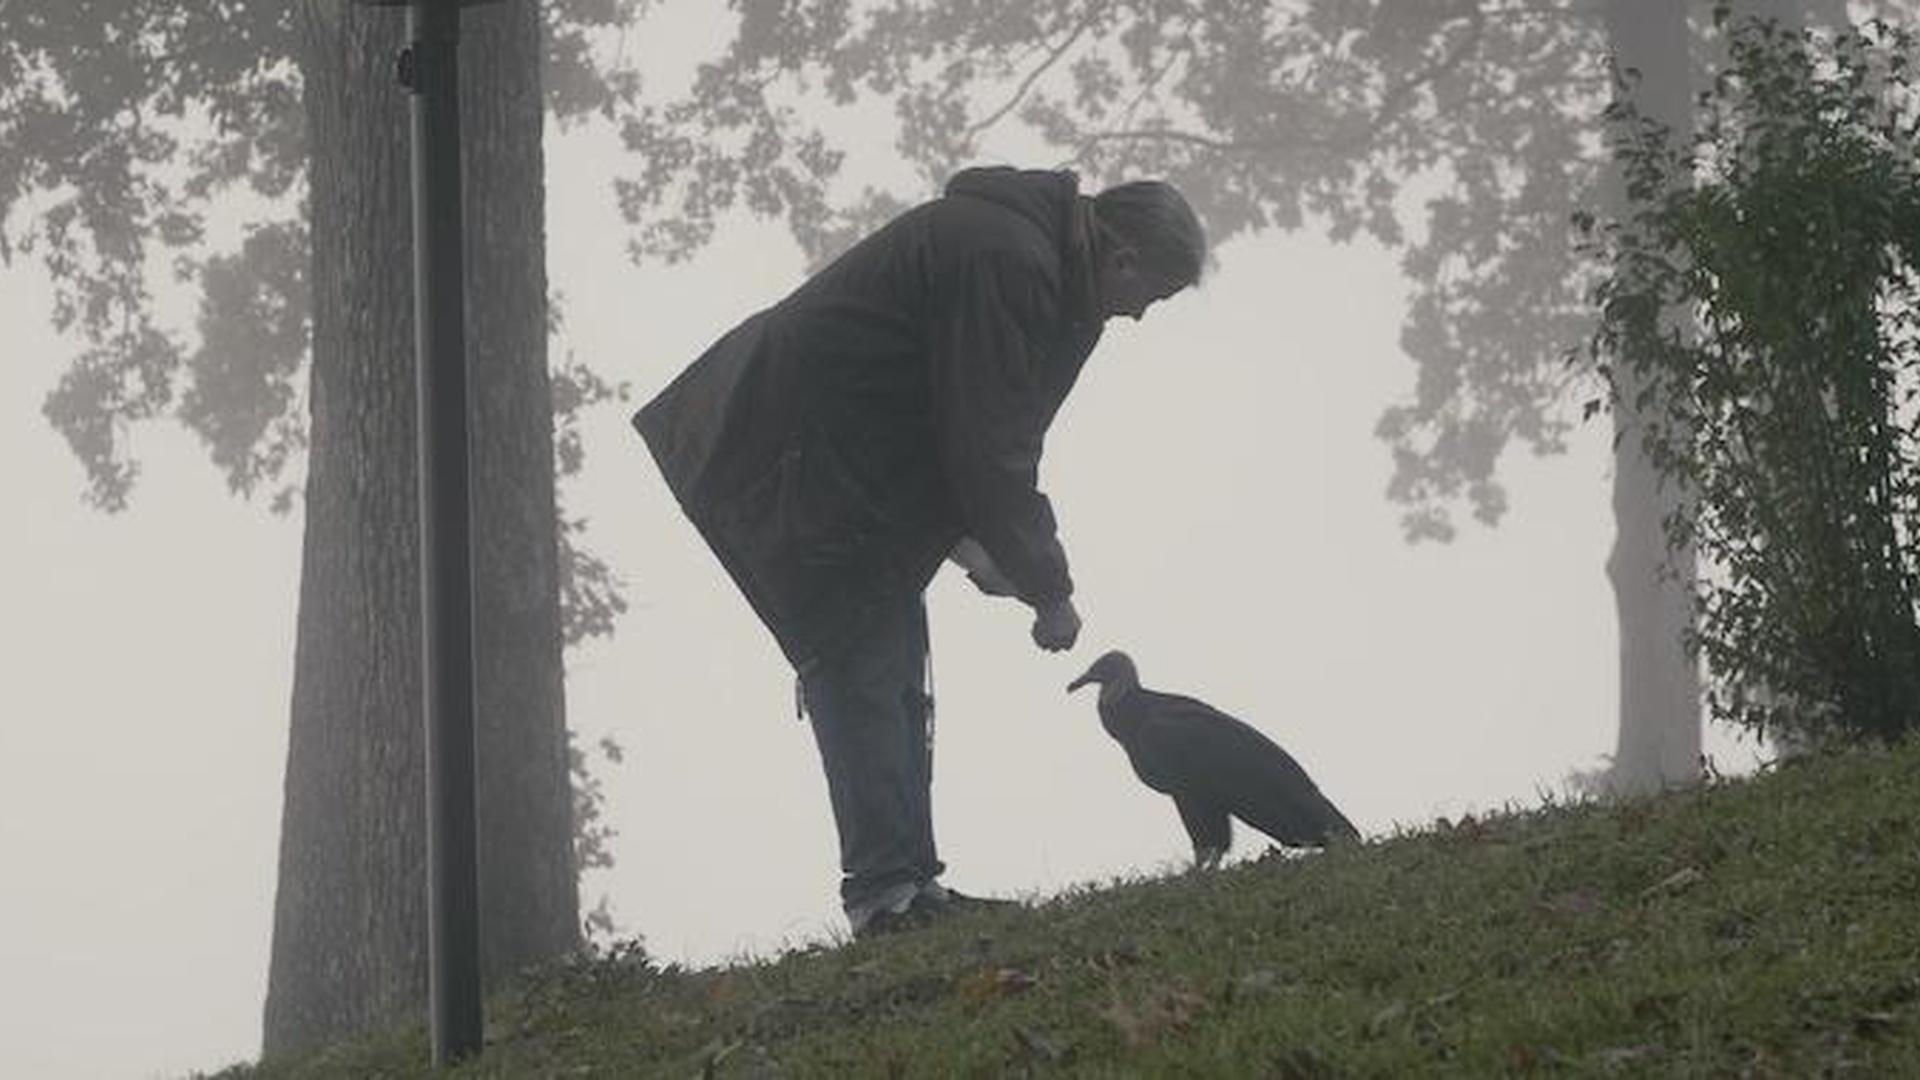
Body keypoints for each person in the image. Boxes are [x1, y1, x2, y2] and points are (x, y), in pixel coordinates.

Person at [634, 165, 1205, 937]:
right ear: (1125, 257)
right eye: (1155, 298)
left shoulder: (1035, 265)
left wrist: (979, 542)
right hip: (784, 453)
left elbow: (972, 421)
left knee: (896, 666)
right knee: (860, 660)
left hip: (839, 465)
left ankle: (909, 885)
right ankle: (883, 896)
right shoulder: (1010, 260)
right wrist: (1048, 587)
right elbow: (989, 441)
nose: (1141, 316)